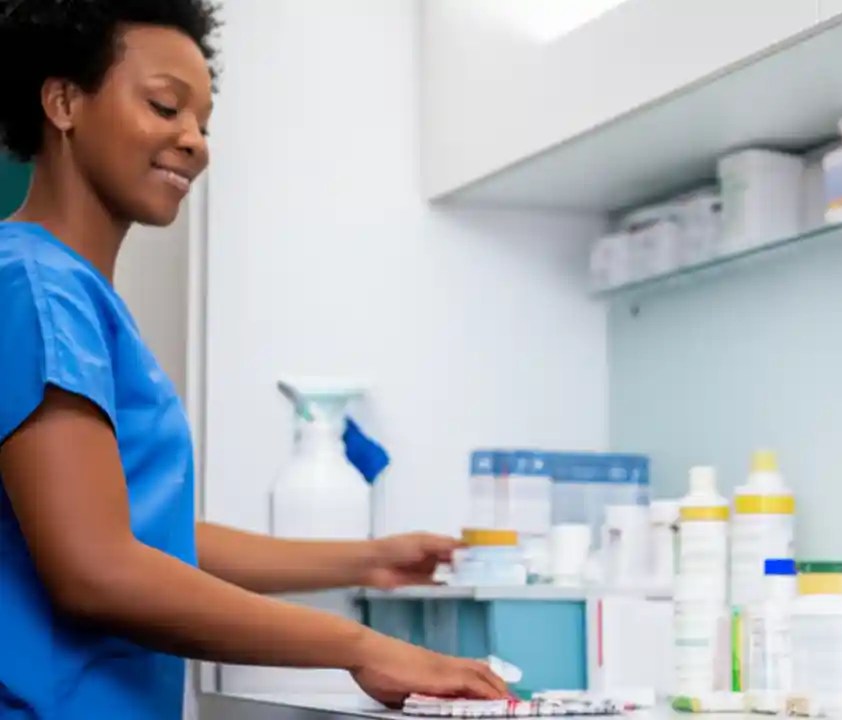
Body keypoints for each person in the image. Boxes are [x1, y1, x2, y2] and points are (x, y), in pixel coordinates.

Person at [0, 1, 509, 718]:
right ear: (62, 102)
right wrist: (362, 647)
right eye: (164, 106)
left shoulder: (68, 292)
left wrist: (365, 561)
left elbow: (149, 539)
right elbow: (98, 568)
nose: (194, 142)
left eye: (202, 123)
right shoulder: (37, 285)